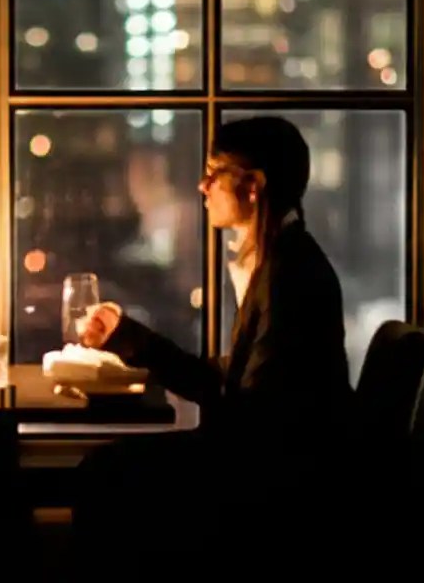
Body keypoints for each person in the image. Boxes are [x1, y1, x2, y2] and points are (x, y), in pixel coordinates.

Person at [72, 116, 354, 553]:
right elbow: (235, 381)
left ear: (253, 186)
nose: (203, 186)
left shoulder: (288, 278)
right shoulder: (278, 261)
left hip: (275, 478)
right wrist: (128, 338)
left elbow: (250, 410)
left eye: (215, 173)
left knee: (103, 471)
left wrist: (137, 345)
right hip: (271, 462)